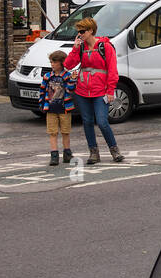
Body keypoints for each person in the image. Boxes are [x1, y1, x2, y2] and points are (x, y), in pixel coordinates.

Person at [63, 17, 123, 163]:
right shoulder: (81, 47)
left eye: (82, 31)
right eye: (78, 32)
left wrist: (110, 90)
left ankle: (114, 150)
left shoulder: (105, 47)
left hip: (100, 91)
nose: (80, 34)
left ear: (91, 31)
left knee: (102, 122)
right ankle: (93, 153)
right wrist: (75, 48)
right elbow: (68, 65)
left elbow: (112, 70)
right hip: (82, 91)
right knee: (87, 122)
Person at [40, 50, 76, 166]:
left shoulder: (67, 76)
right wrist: (42, 104)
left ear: (61, 63)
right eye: (51, 62)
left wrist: (73, 80)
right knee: (52, 132)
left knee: (65, 132)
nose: (52, 65)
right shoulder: (47, 76)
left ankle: (67, 154)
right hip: (51, 109)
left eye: (54, 62)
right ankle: (54, 155)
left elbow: (70, 90)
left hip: (64, 109)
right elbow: (42, 90)